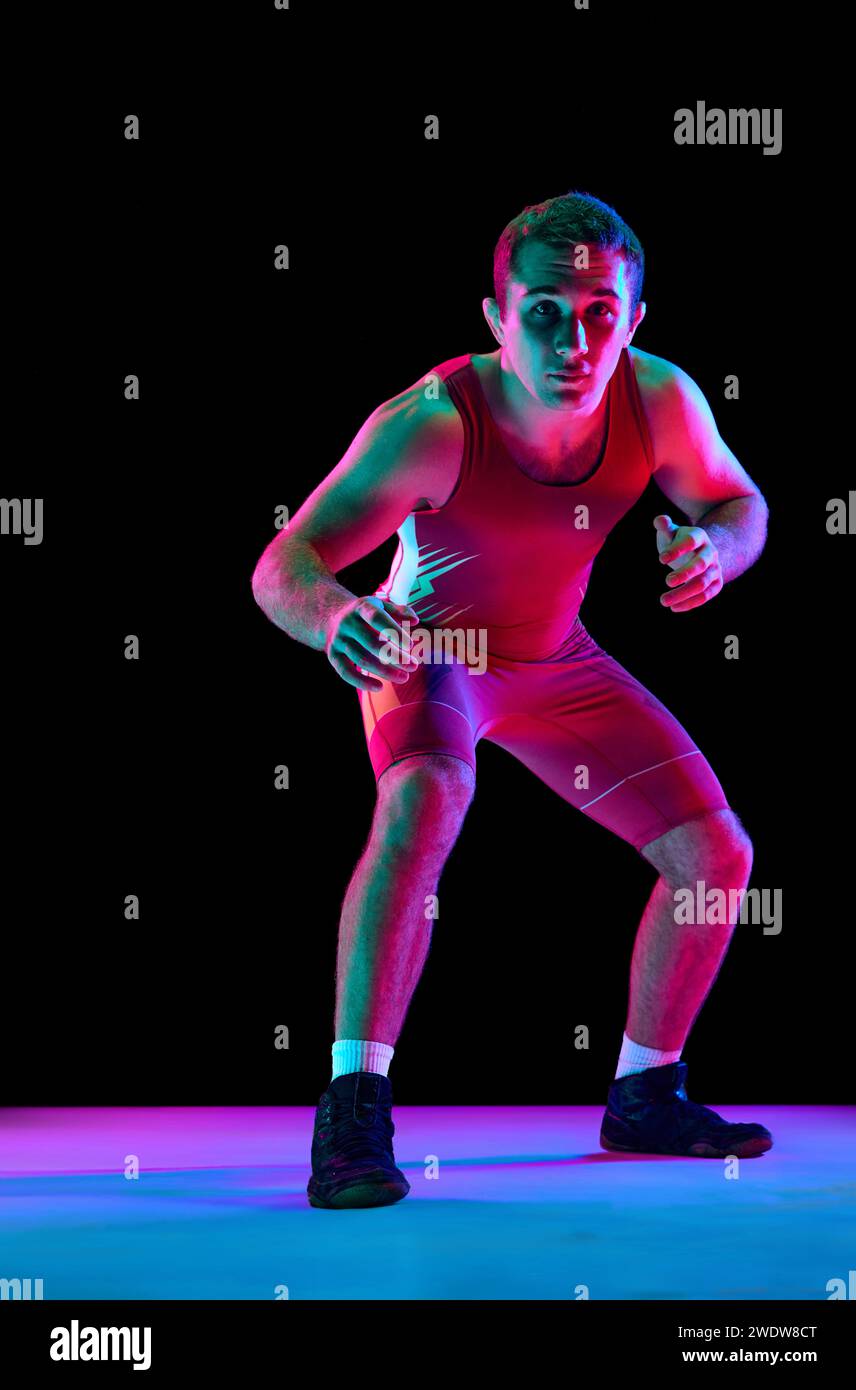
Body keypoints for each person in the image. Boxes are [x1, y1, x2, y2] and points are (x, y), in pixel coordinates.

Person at [252, 191, 773, 1210]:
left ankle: (645, 1091)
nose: (572, 339)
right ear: (497, 319)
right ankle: (354, 1106)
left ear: (632, 320)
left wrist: (718, 549)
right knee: (429, 794)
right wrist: (334, 616)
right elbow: (286, 561)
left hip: (553, 660)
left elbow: (740, 501)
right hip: (432, 648)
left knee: (716, 853)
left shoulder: (661, 401)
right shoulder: (430, 424)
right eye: (543, 310)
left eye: (597, 313)